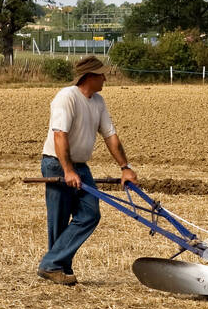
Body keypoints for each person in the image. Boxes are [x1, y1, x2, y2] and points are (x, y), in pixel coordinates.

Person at [37, 55, 137, 285]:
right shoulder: (66, 97)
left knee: (90, 214)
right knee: (59, 219)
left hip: (80, 165)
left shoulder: (98, 101)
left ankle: (53, 263)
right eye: (101, 74)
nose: (105, 78)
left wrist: (125, 168)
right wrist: (68, 170)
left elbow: (110, 136)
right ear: (89, 76)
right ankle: (57, 267)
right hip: (56, 163)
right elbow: (59, 134)